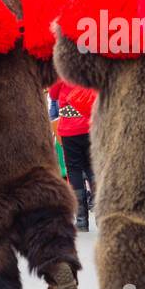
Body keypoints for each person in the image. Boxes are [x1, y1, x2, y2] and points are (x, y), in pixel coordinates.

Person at [48, 79, 95, 231]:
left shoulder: (62, 73)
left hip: (69, 128)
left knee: (74, 170)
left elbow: (53, 94)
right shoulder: (86, 68)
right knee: (92, 167)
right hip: (89, 125)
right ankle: (101, 213)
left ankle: (81, 220)